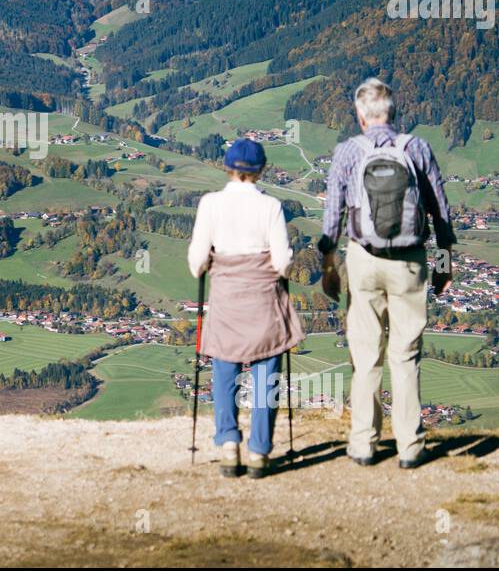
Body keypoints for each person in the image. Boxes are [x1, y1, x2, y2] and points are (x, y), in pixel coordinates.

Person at [318, 77, 456, 469]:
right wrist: (444, 264)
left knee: (366, 354)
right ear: (392, 113)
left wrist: (330, 267)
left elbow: (332, 218)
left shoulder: (348, 152)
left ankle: (363, 443)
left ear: (360, 116)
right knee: (406, 354)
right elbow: (440, 212)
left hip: (363, 259)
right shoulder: (416, 148)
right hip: (410, 261)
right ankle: (410, 447)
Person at [187, 138, 303, 478]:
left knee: (225, 372)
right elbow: (283, 263)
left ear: (227, 167)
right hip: (263, 300)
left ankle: (228, 444)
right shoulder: (271, 207)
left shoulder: (210, 204)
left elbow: (197, 263)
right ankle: (259, 452)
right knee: (267, 376)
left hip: (227, 301)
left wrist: (210, 263)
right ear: (261, 170)